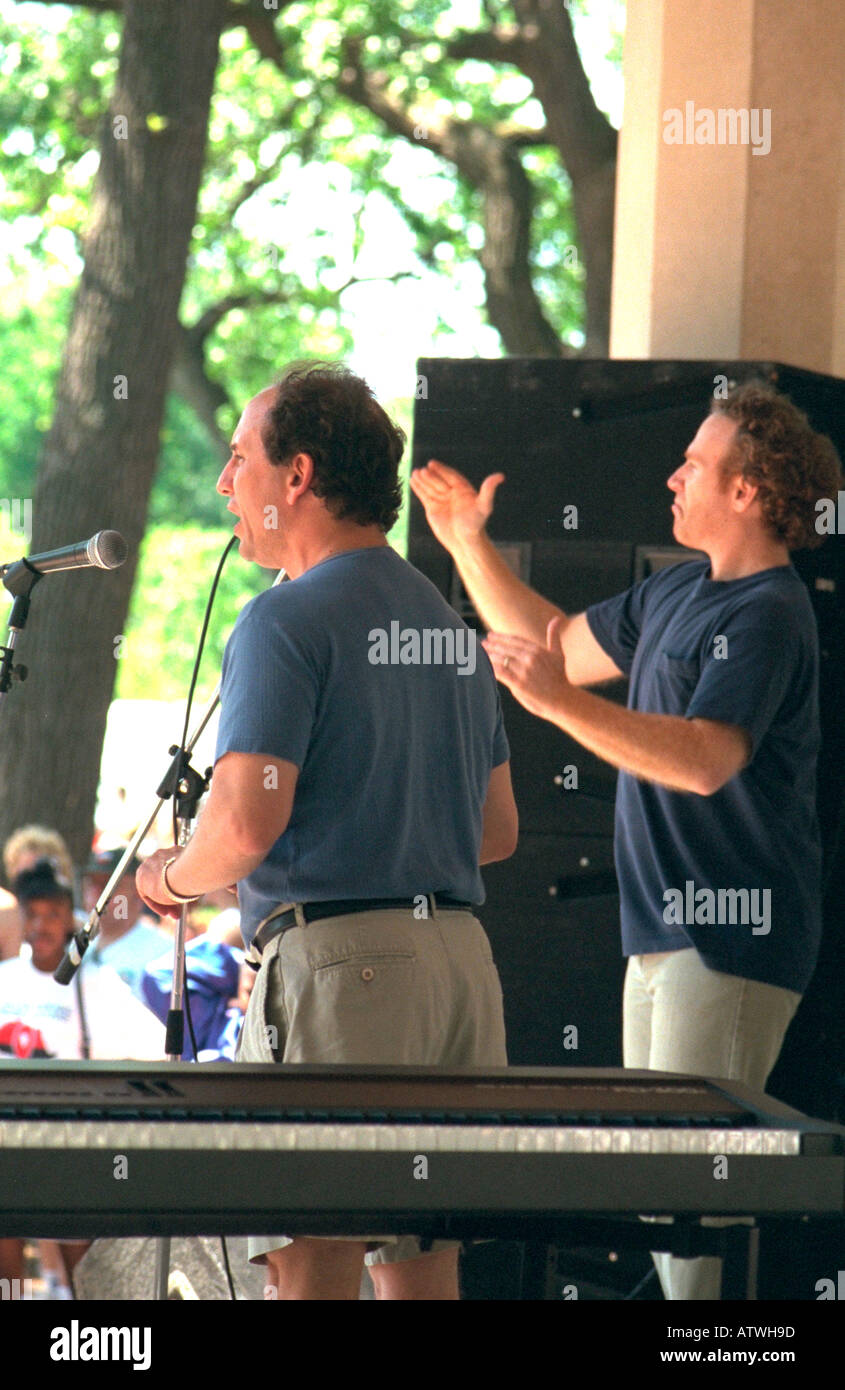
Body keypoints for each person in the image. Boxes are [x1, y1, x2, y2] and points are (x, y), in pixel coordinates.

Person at [410, 380, 842, 1301]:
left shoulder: (767, 612)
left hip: (730, 939)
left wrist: (560, 707)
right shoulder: (684, 587)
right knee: (662, 1187)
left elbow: (702, 760)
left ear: (748, 492)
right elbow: (559, 643)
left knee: (695, 1198)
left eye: (694, 462)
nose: (672, 475)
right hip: (663, 933)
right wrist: (465, 544)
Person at [136, 361, 517, 1300]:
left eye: (237, 459)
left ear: (296, 475)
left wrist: (171, 881)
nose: (225, 484)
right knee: (423, 1281)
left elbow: (244, 820)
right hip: (461, 970)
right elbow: (495, 829)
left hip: (344, 979)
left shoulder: (281, 620)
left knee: (312, 1280)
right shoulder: (445, 625)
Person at [80, 848, 170, 999]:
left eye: (108, 885)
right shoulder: (76, 946)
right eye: (92, 884)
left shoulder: (162, 952)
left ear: (138, 893)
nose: (97, 894)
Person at [0, 825, 76, 962]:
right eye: (25, 874)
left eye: (40, 873)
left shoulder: (76, 928)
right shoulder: (4, 916)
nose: (33, 884)